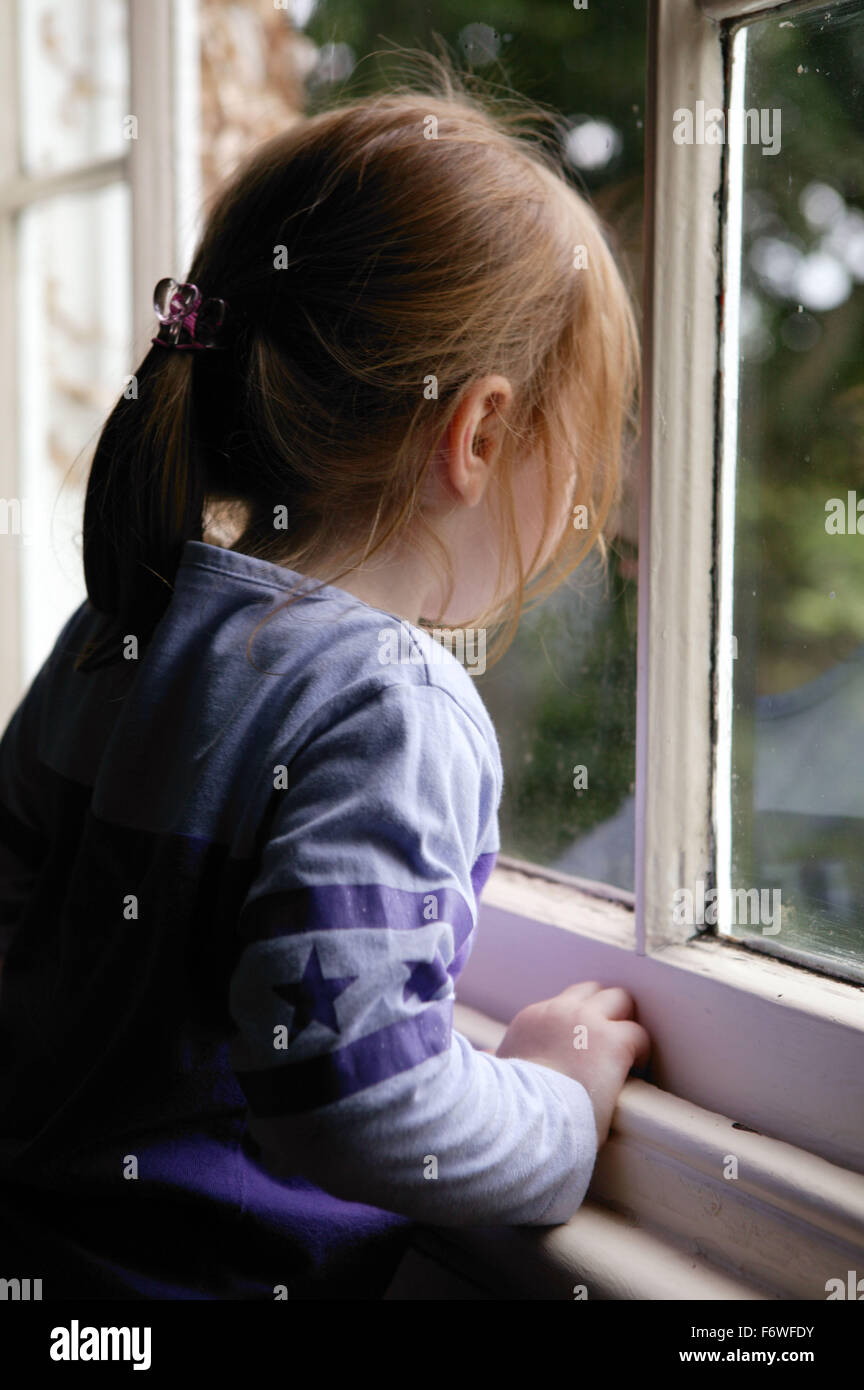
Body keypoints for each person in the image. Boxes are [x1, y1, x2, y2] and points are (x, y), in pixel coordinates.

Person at [0, 60, 648, 1300]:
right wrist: (558, 1100)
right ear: (480, 433)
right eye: (586, 445)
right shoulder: (388, 704)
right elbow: (352, 1105)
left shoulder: (122, 618)